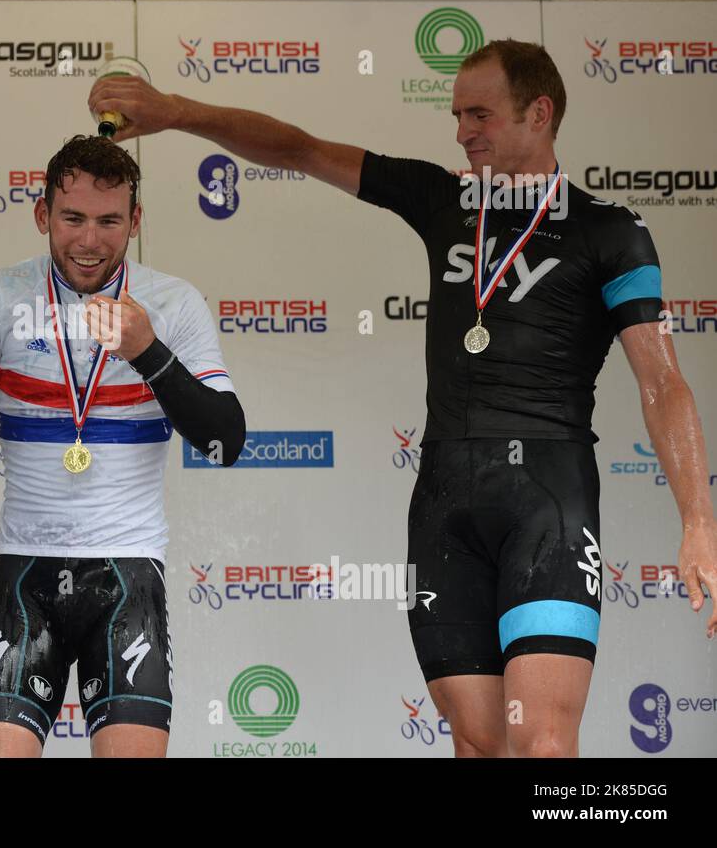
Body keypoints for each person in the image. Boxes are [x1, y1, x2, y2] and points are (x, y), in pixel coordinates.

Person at [88, 39, 717, 757]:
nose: (460, 131)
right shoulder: (441, 198)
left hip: (548, 498)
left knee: (541, 744)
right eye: (455, 114)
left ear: (539, 113)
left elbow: (662, 381)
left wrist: (698, 518)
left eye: (479, 113)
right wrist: (175, 112)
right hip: (445, 499)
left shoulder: (610, 231)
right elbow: (299, 149)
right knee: (480, 743)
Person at [0, 135, 245, 757]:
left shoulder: (171, 304)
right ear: (43, 216)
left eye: (109, 221)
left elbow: (225, 440)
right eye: (73, 219)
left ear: (135, 221)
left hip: (127, 574)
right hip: (24, 573)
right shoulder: (2, 296)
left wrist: (147, 352)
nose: (89, 241)